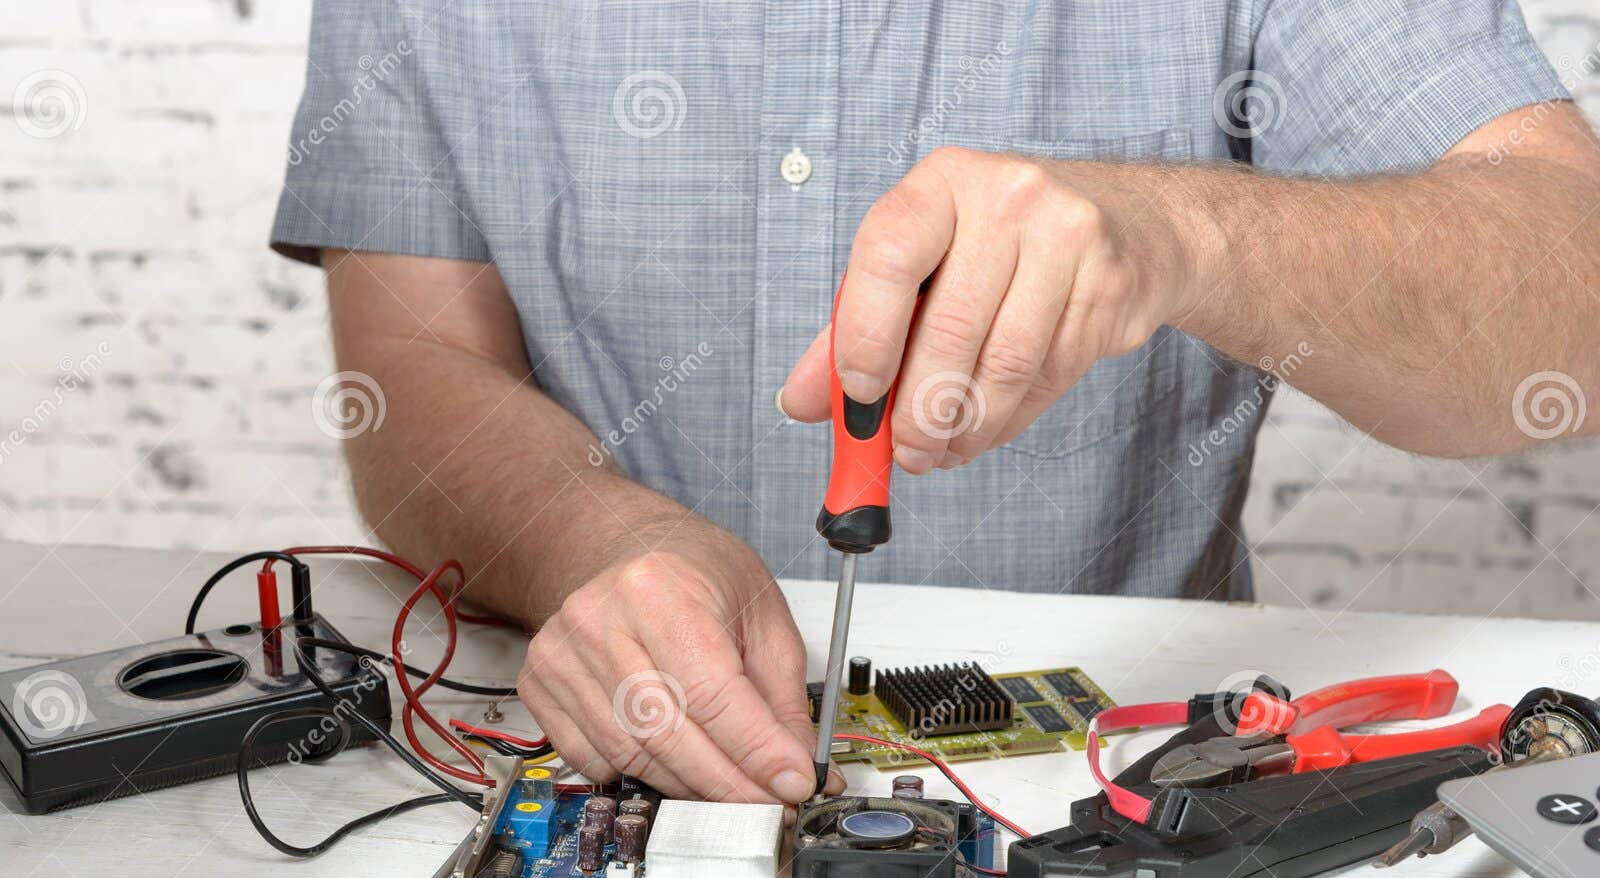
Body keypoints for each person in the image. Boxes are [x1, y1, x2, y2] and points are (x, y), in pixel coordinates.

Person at [272, 1, 1600, 806]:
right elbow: (413, 385)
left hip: (1130, 801)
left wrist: (1187, 235)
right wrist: (597, 541)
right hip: (606, 775)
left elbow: (1574, 302)